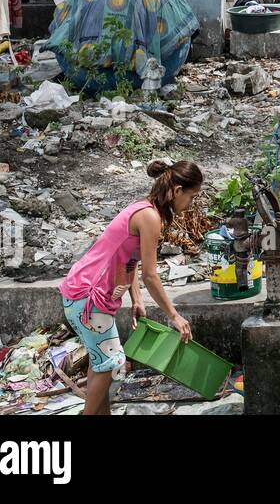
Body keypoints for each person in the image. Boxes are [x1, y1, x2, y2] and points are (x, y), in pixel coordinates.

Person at [59, 160, 202, 415]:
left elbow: (129, 259)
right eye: (191, 197)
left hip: (81, 293)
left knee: (101, 362)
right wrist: (174, 316)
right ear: (178, 190)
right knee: (113, 363)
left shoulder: (143, 208)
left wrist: (137, 300)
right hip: (88, 298)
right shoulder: (150, 217)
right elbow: (150, 275)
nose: (190, 204)